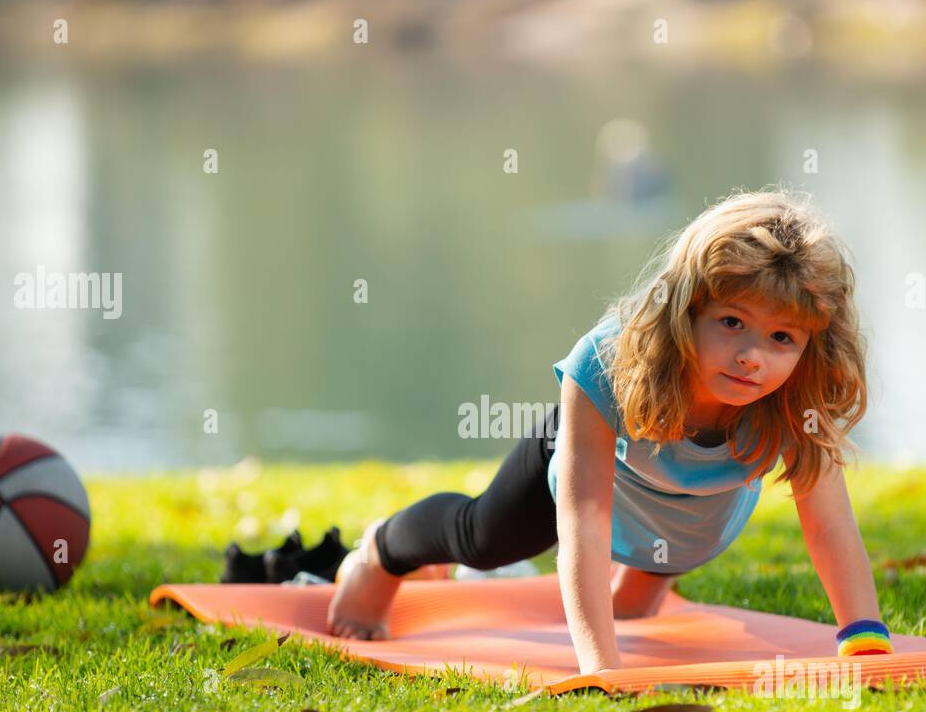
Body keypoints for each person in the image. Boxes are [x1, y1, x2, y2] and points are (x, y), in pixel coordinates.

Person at [327, 189, 894, 673]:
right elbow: (585, 519)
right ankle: (380, 551)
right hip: (588, 472)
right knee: (485, 540)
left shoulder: (798, 397)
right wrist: (602, 667)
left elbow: (829, 527)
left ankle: (645, 582)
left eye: (781, 338)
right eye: (731, 323)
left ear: (810, 343)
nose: (751, 356)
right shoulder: (608, 362)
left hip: (693, 515)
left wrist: (864, 640)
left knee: (647, 590)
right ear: (686, 310)